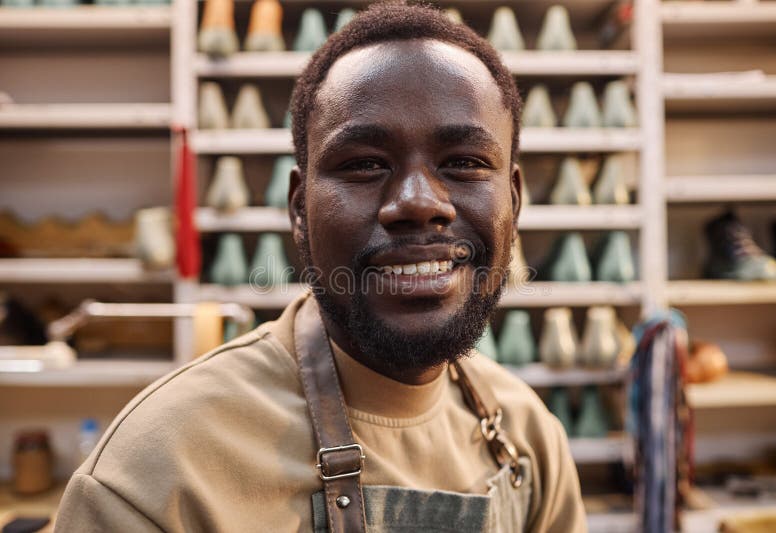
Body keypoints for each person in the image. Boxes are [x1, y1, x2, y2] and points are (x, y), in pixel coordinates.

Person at [55, 2, 586, 531]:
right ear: (299, 209)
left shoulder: (529, 435)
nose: (420, 202)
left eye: (465, 163)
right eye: (363, 164)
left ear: (513, 202)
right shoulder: (157, 474)